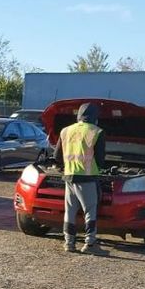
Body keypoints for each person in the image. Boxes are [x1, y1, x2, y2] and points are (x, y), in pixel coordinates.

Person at [55, 102, 107, 254]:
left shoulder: (66, 131)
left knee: (70, 210)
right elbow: (100, 159)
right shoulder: (96, 131)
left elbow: (57, 156)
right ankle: (89, 244)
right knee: (90, 210)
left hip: (69, 176)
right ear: (95, 118)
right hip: (88, 177)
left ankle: (69, 243)